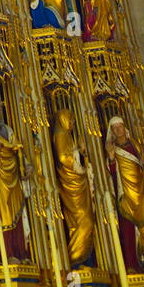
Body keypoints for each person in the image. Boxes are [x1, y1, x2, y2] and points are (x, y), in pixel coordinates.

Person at [0, 95, 30, 262]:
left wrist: (26, 165)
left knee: (17, 211)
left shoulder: (8, 130)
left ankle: (20, 253)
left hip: (13, 176)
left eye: (0, 106)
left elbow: (18, 150)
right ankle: (6, 254)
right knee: (2, 214)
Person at [105, 115, 144, 273]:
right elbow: (112, 173)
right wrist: (112, 157)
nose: (118, 129)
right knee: (127, 229)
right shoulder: (112, 148)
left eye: (120, 126)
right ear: (112, 131)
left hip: (141, 193)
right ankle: (132, 265)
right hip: (125, 193)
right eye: (115, 127)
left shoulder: (136, 145)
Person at [51, 109, 96, 266]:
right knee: (85, 221)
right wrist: (79, 152)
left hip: (79, 184)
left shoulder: (67, 136)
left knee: (82, 222)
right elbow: (64, 158)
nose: (72, 124)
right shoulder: (61, 135)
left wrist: (81, 152)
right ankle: (75, 259)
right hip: (71, 184)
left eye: (73, 121)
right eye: (70, 120)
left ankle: (85, 260)